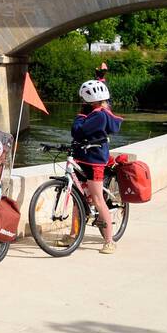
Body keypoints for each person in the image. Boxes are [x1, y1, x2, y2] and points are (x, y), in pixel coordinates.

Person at [71, 79, 124, 254]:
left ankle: (109, 241)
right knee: (77, 200)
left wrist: (79, 118)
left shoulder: (99, 115)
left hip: (94, 161)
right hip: (83, 157)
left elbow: (78, 131)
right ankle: (73, 235)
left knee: (97, 199)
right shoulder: (94, 112)